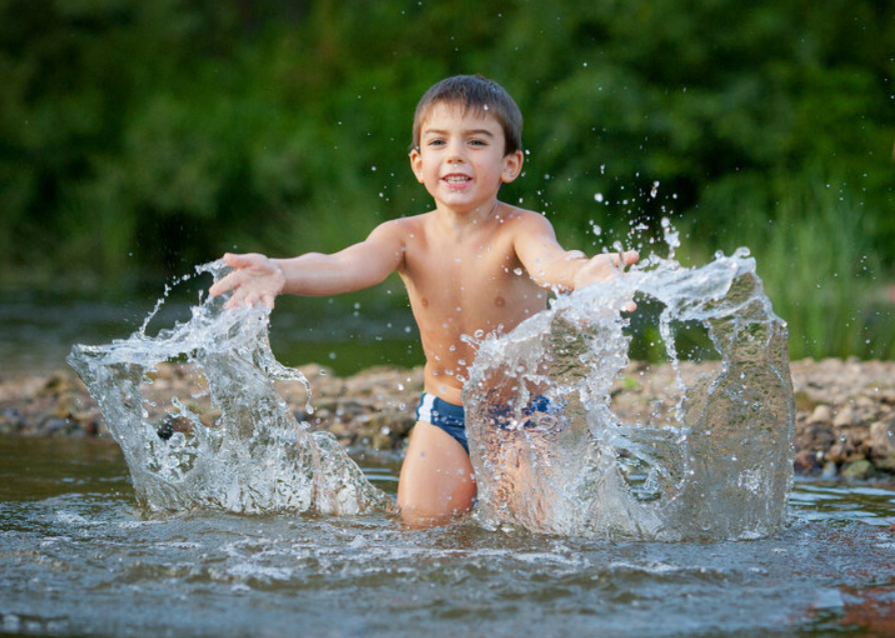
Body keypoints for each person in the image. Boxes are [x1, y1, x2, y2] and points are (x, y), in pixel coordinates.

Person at [209, 75, 638, 527]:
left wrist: (585, 274)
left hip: (522, 418)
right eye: (438, 142)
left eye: (476, 141)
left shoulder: (522, 228)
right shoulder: (404, 237)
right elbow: (344, 264)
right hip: (443, 415)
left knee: (530, 538)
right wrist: (283, 271)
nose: (455, 154)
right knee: (420, 528)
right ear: (418, 163)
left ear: (509, 164)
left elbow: (552, 265)